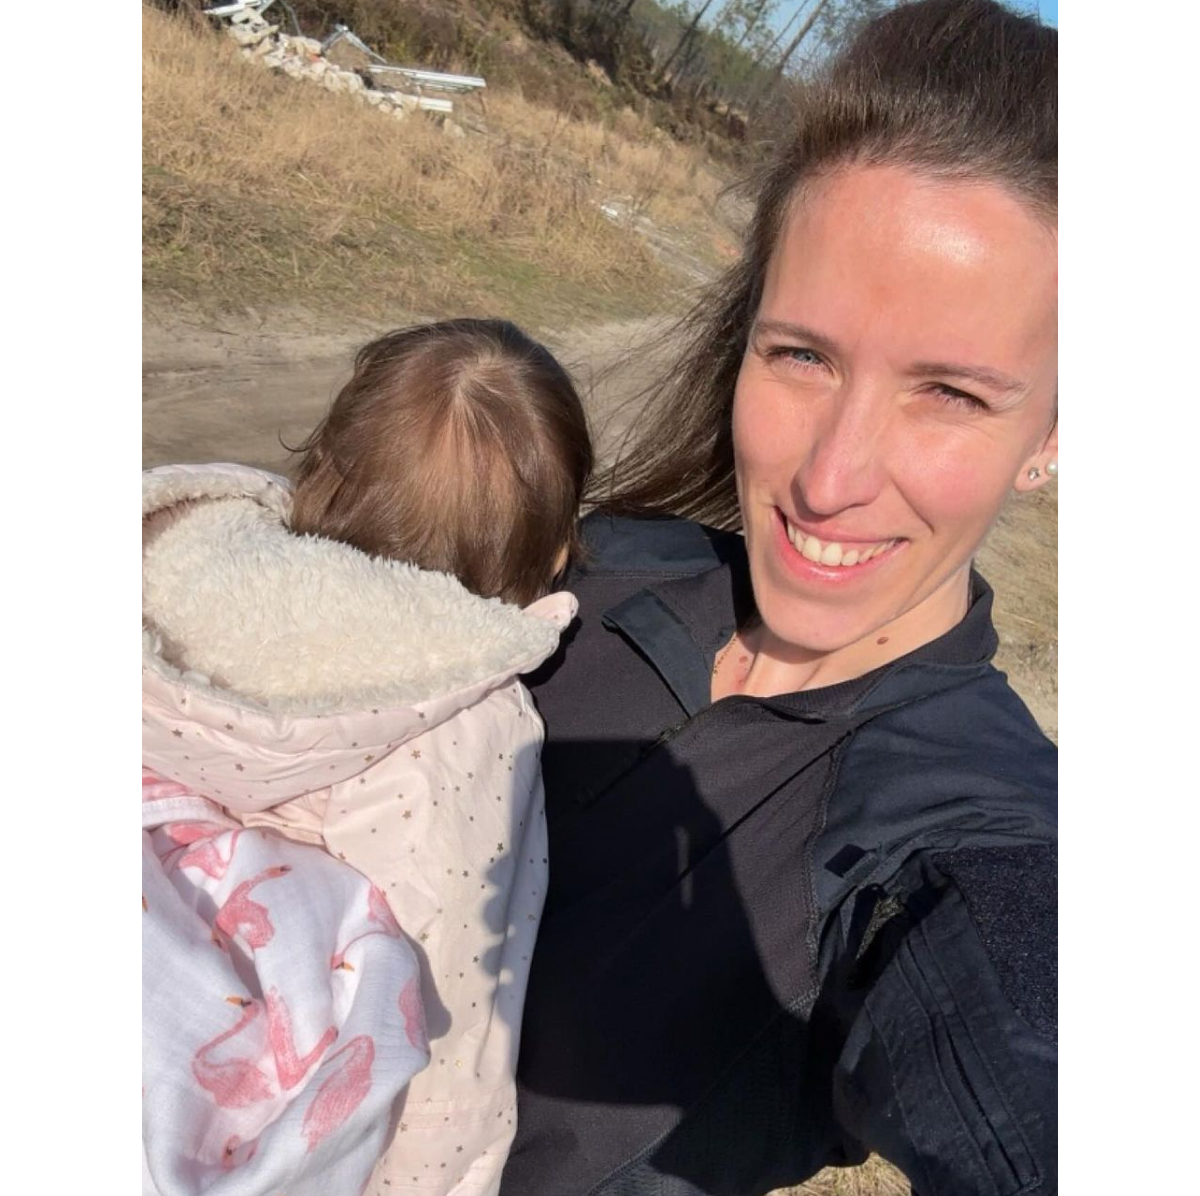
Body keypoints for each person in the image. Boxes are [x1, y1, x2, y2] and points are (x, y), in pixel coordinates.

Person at [502, 3, 1058, 1194]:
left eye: (951, 393)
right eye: (802, 354)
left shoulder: (966, 822)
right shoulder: (593, 562)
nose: (829, 479)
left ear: (1051, 437)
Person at [142, 318, 593, 1196]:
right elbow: (455, 997)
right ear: (554, 558)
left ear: (317, 470)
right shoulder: (461, 723)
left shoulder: (177, 573)